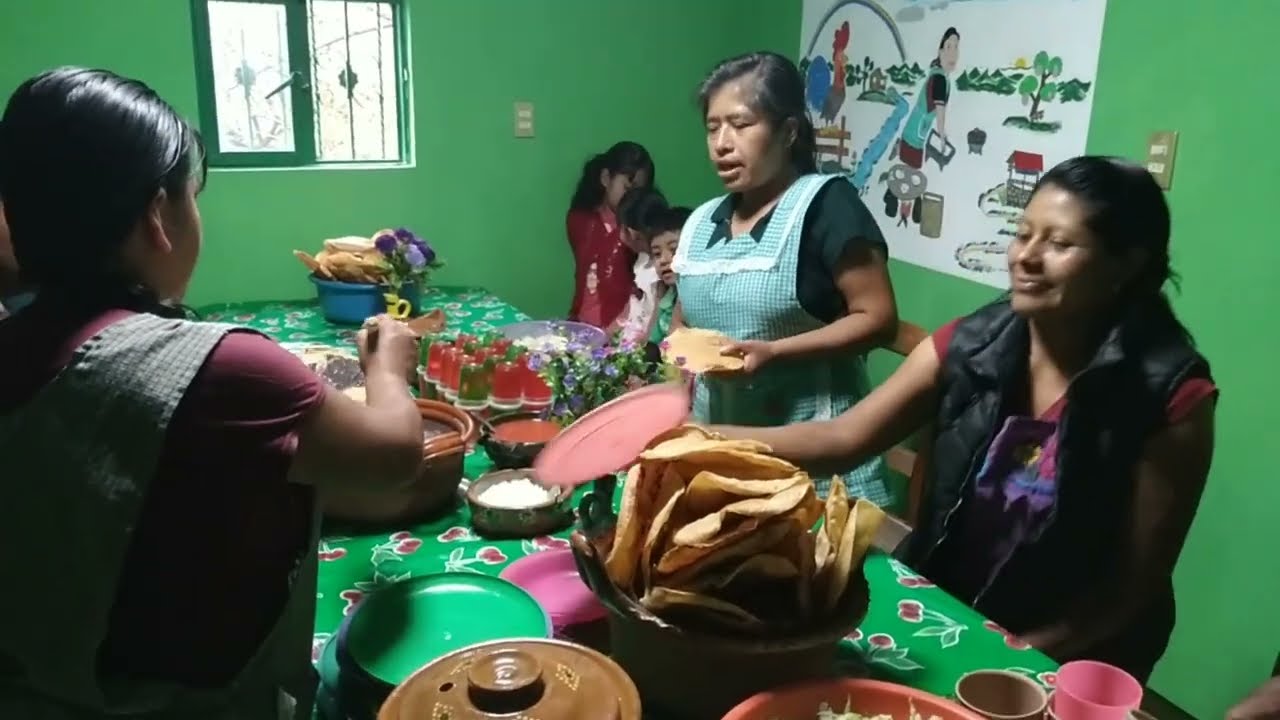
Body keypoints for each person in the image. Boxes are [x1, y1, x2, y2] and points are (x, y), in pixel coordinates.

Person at [0, 67, 426, 717]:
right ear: (157, 217)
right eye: (189, 194)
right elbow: (393, 460)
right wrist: (387, 369)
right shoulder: (225, 369)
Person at [715, 156, 1217, 683]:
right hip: (955, 611)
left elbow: (1128, 591)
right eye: (1023, 234)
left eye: (1060, 244)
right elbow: (845, 436)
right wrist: (701, 438)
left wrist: (1007, 659)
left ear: (1126, 263)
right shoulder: (972, 343)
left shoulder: (1171, 398)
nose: (1026, 257)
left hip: (1073, 653)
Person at [672, 51, 898, 502]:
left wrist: (774, 352)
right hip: (721, 453)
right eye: (712, 127)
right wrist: (675, 368)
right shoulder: (700, 222)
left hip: (813, 467)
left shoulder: (825, 205)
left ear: (789, 131)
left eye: (740, 124)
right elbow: (684, 319)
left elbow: (878, 318)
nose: (722, 143)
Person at [566, 141, 655, 330]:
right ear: (606, 178)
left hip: (622, 327)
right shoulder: (580, 220)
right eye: (627, 188)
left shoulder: (641, 230)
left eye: (639, 191)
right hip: (583, 322)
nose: (632, 197)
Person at [897, 27, 959, 170]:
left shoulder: (940, 76)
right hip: (914, 136)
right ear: (940, 52)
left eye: (956, 48)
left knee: (908, 180)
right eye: (949, 47)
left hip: (916, 134)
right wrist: (942, 136)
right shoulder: (939, 78)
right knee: (908, 181)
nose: (953, 53)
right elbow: (940, 110)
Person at [616, 186, 670, 345]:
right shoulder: (642, 260)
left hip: (645, 348)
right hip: (629, 342)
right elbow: (632, 304)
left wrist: (642, 348)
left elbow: (656, 317)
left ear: (631, 232)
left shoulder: (662, 270)